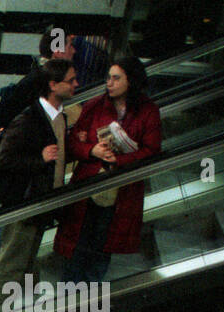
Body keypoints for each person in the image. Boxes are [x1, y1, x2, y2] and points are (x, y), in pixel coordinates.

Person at [0, 28, 77, 293]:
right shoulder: (39, 84)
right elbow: (22, 132)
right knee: (17, 233)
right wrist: (39, 158)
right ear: (57, 50)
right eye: (70, 44)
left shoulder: (37, 77)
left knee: (16, 230)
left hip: (27, 170)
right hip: (24, 172)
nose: (74, 50)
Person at [0, 59, 79, 312]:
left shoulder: (59, 117)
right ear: (52, 85)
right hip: (26, 201)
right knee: (13, 259)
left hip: (43, 199)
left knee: (26, 259)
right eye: (70, 80)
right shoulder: (29, 119)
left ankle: (20, 306)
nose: (75, 85)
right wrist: (41, 159)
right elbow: (4, 159)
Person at [54, 56, 162, 283]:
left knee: (104, 242)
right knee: (78, 239)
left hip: (122, 192)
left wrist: (118, 161)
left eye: (116, 78)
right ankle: (69, 291)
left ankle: (89, 292)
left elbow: (152, 151)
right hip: (88, 186)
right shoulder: (94, 106)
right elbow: (73, 143)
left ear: (130, 81)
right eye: (108, 78)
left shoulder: (148, 111)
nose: (109, 83)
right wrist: (92, 150)